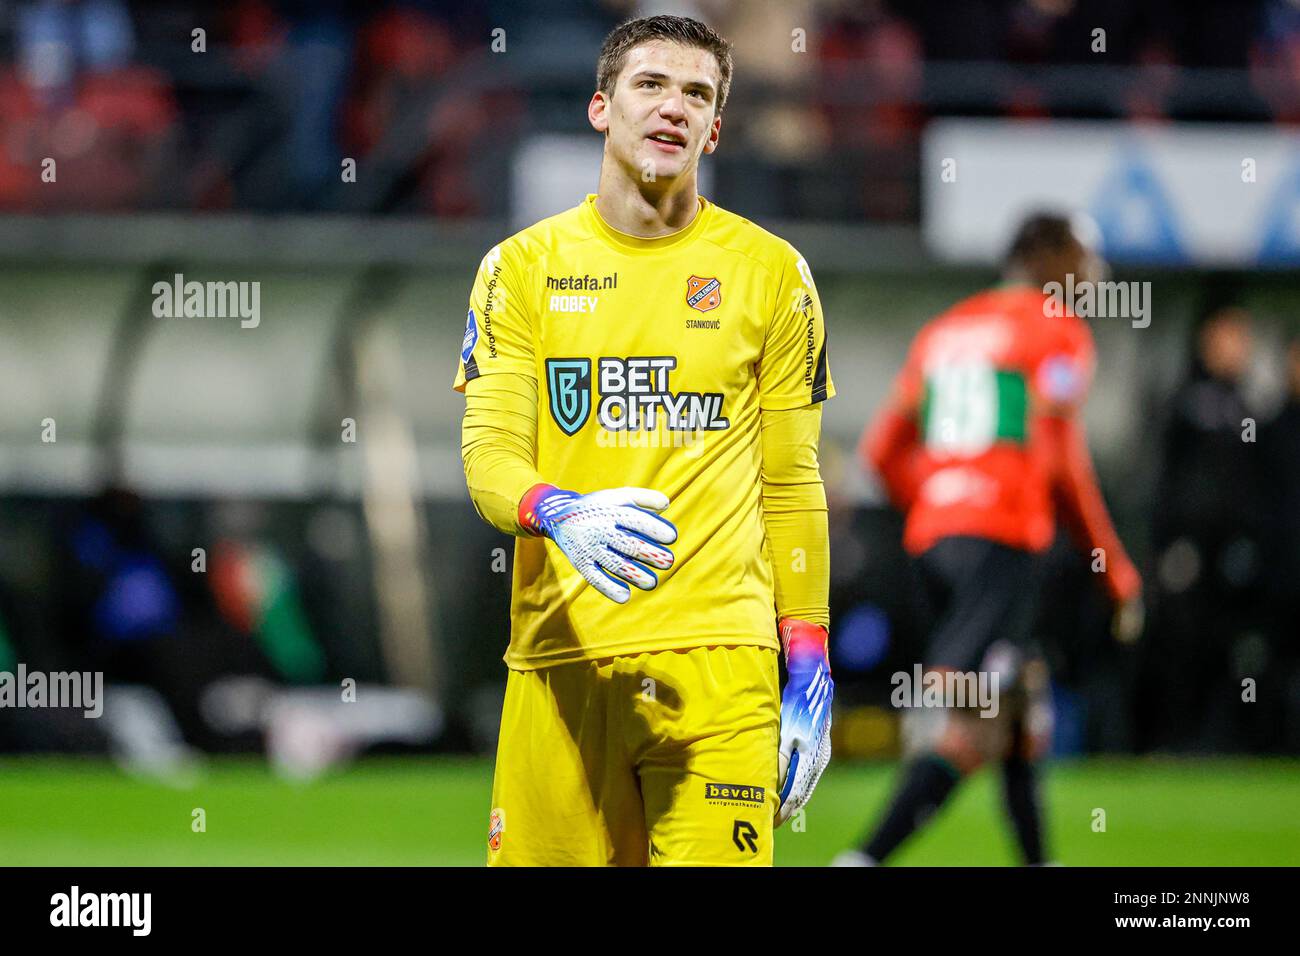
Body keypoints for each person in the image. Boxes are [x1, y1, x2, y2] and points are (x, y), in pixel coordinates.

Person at [453, 15, 835, 866]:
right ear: (601, 107)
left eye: (697, 93)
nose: (673, 107)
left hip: (725, 667)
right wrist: (557, 512)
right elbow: (488, 457)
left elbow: (791, 482)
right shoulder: (519, 269)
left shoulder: (775, 273)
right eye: (651, 85)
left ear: (715, 127)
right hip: (562, 661)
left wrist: (808, 659)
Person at [834, 212, 1141, 866]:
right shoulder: (1057, 331)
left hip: (933, 544)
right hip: (1000, 546)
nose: (1092, 276)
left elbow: (880, 453)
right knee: (974, 728)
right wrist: (1113, 570)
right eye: (1083, 259)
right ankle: (863, 859)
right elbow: (1063, 463)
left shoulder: (945, 329)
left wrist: (944, 497)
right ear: (1048, 255)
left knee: (1020, 709)